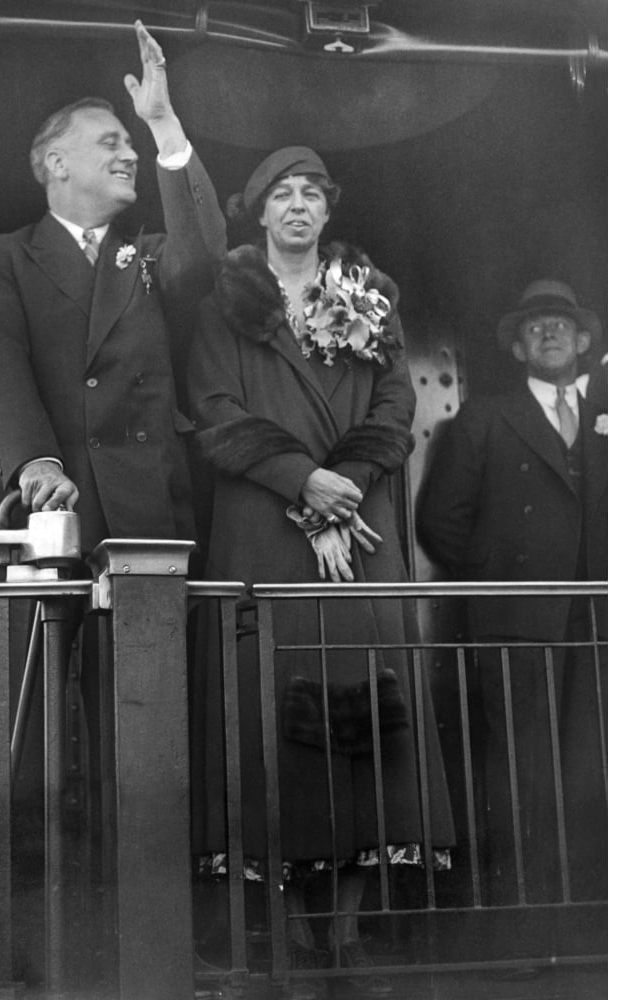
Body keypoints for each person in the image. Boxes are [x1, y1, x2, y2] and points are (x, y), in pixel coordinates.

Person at [0, 20, 226, 901]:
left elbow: (208, 258)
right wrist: (34, 462)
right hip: (34, 523)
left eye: (132, 147)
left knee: (141, 740)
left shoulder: (148, 260)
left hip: (144, 527)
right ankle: (16, 918)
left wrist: (164, 125)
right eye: (109, 142)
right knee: (21, 729)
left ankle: (137, 918)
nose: (128, 157)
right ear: (53, 164)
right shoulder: (0, 259)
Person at [187, 147, 455, 996]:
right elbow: (215, 410)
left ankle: (344, 929)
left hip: (363, 517)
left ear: (327, 211)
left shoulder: (370, 299)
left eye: (311, 194)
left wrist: (345, 491)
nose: (297, 206)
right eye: (281, 195)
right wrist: (303, 488)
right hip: (265, 522)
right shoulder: (225, 304)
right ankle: (290, 936)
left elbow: (394, 404)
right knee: (283, 703)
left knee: (366, 710)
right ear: (257, 212)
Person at [417, 279, 607, 914]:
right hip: (519, 625)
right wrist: (505, 584)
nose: (549, 332)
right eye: (535, 325)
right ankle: (528, 917)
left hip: (603, 622)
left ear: (585, 339)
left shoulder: (617, 416)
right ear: (519, 347)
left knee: (599, 766)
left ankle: (598, 915)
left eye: (562, 322)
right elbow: (440, 522)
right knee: (525, 772)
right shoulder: (484, 417)